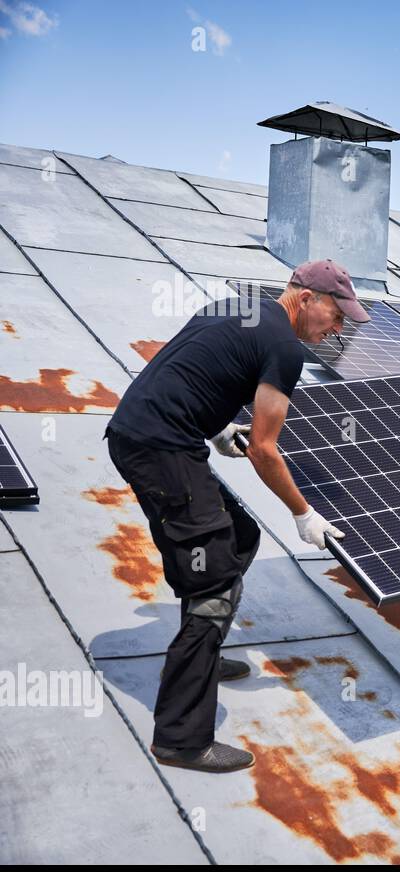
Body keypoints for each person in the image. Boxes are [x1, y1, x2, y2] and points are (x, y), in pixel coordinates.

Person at [104, 260, 369, 772]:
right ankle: (181, 739)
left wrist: (219, 424)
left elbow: (189, 367)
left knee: (239, 535)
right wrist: (304, 514)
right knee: (215, 587)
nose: (337, 330)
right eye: (336, 316)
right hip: (161, 449)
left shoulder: (238, 307)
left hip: (149, 432)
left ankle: (198, 659)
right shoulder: (285, 347)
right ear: (306, 297)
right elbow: (266, 450)